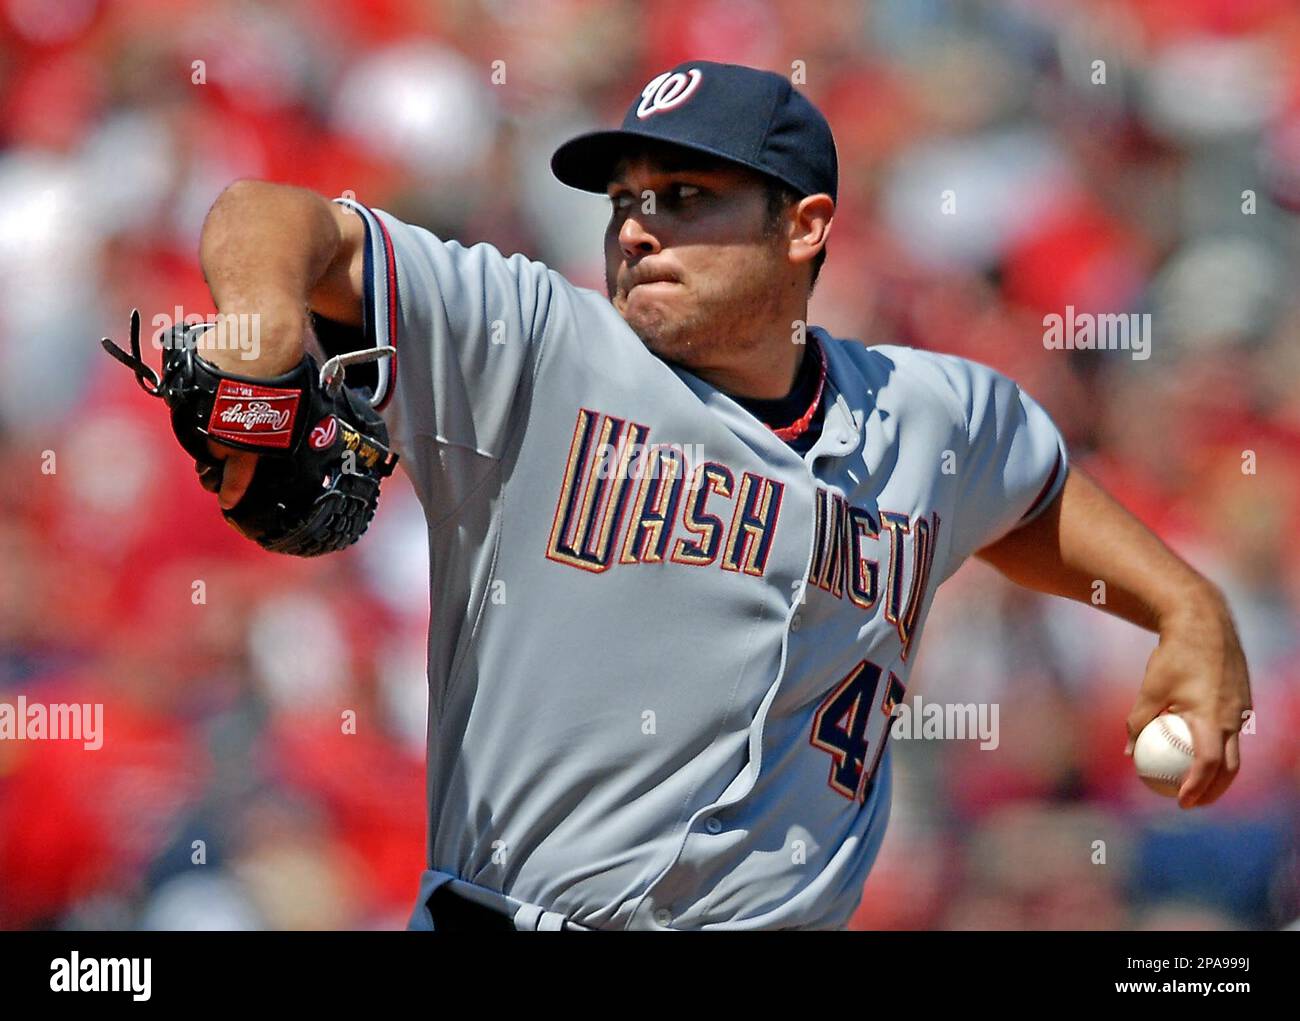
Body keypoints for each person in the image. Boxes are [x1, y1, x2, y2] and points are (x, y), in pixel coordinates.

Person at [191, 61, 1251, 930]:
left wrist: (1182, 605)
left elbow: (1032, 495)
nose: (637, 230)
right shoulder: (533, 343)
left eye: (685, 198)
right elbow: (270, 217)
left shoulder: (930, 411)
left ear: (803, 227)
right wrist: (265, 332)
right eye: (624, 202)